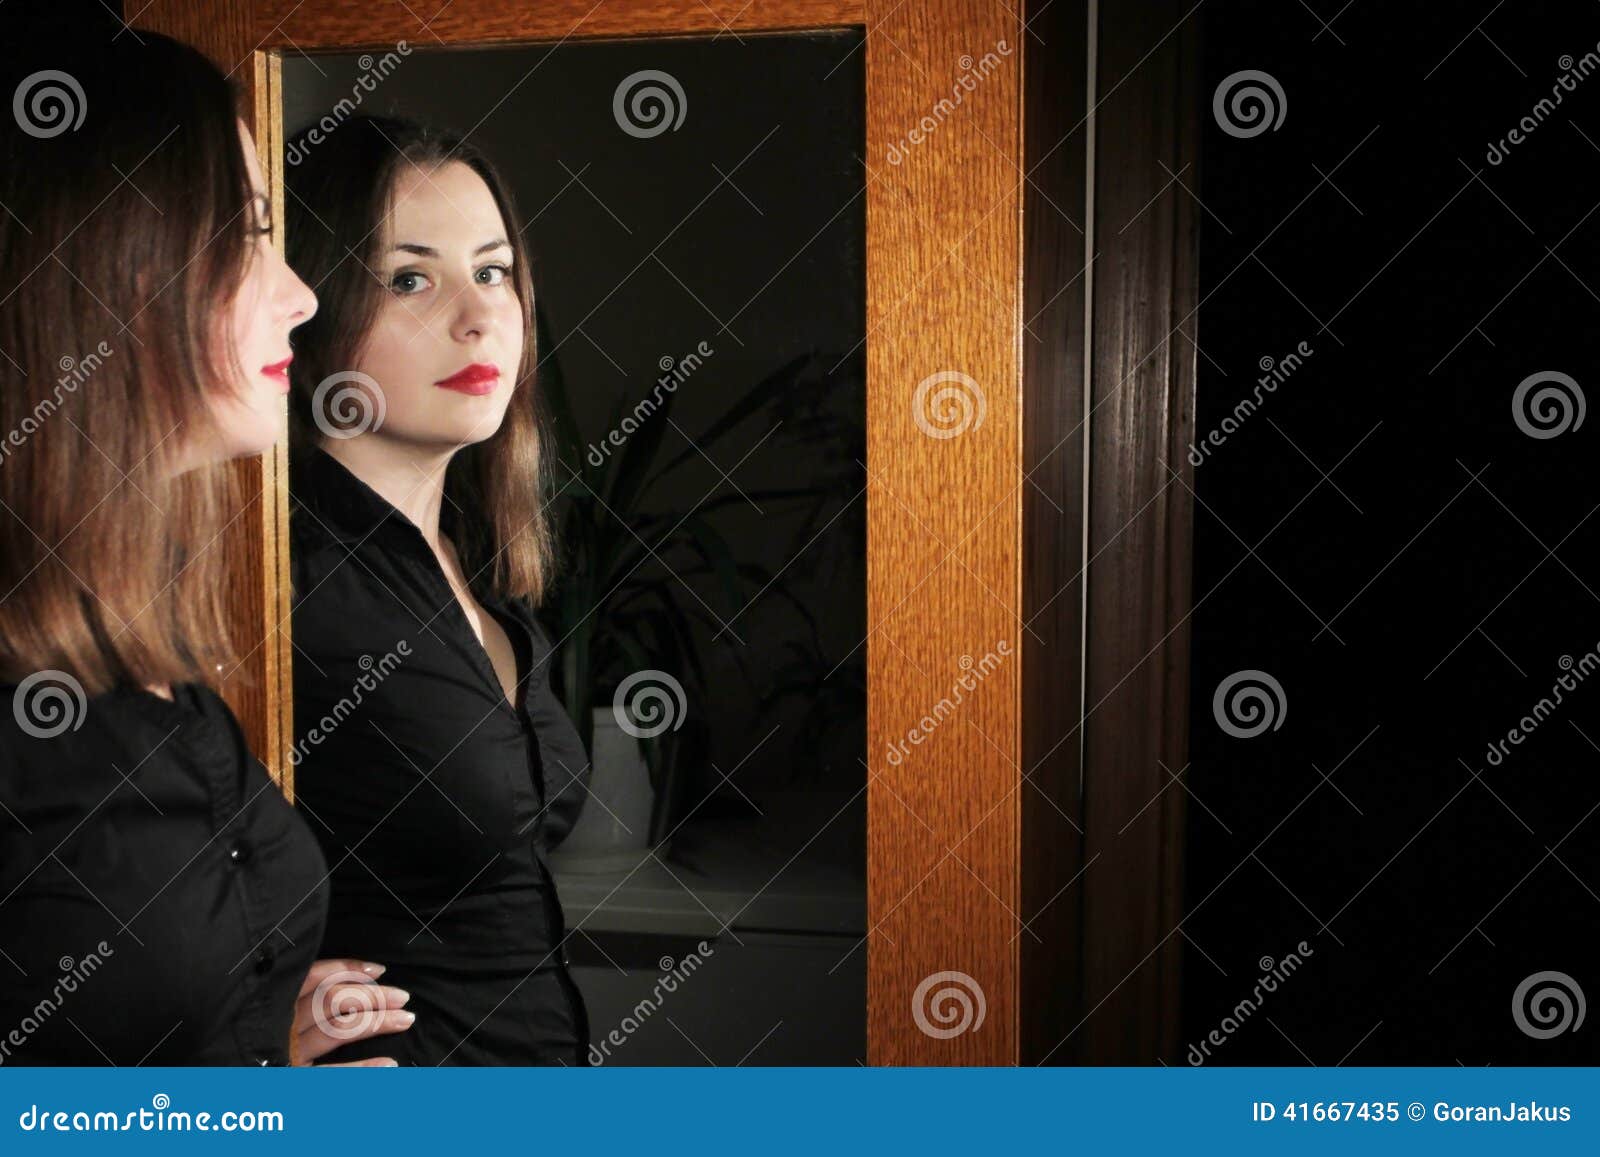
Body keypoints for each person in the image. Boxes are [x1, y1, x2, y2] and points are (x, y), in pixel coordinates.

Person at [0, 27, 412, 1065]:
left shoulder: (157, 666)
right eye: (246, 235)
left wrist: (256, 1037)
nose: (302, 295)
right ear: (102, 268)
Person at [282, 114, 593, 1065]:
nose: (479, 313)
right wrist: (241, 1048)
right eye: (411, 278)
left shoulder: (479, 567)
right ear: (310, 302)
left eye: (494, 271)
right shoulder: (281, 577)